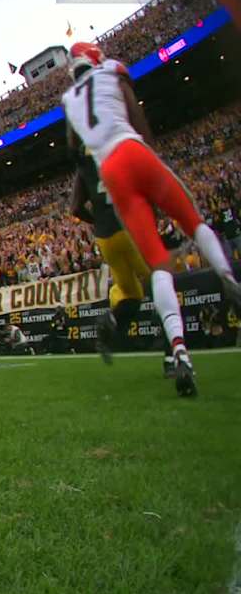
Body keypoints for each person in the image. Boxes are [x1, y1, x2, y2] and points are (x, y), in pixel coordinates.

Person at [61, 42, 241, 396]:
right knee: (184, 236)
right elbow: (138, 123)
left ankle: (148, 337)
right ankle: (224, 281)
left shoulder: (70, 108)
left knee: (143, 282)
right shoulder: (111, 70)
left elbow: (73, 187)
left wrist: (94, 215)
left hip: (107, 207)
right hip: (130, 162)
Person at [70, 149, 174, 375]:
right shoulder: (119, 150)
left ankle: (111, 318)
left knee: (131, 294)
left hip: (106, 238)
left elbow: (76, 208)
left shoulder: (85, 166)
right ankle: (170, 357)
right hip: (129, 228)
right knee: (162, 285)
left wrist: (97, 220)